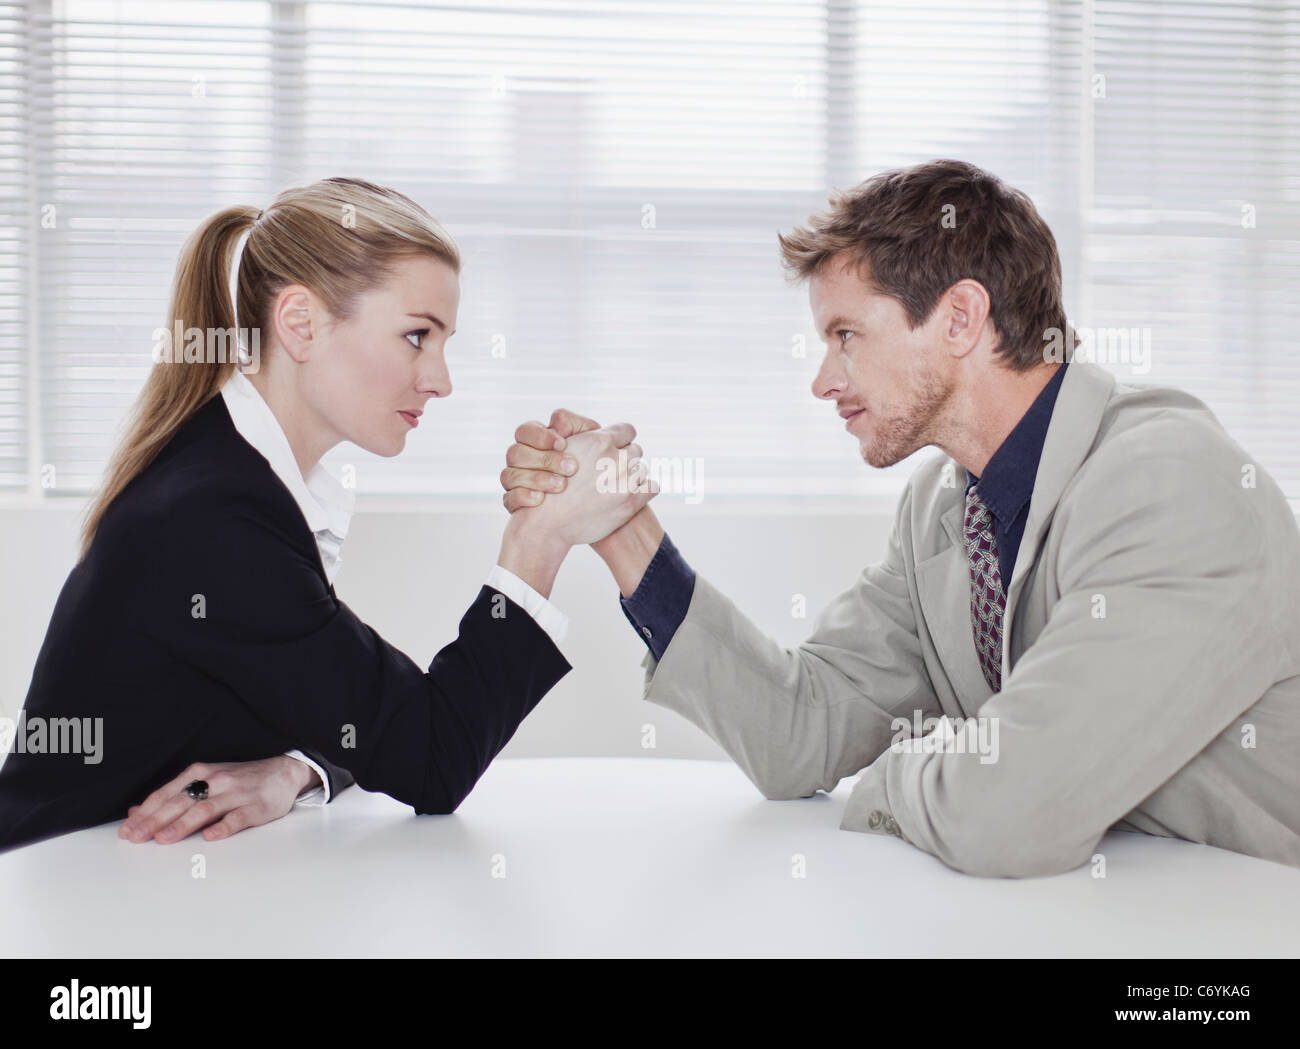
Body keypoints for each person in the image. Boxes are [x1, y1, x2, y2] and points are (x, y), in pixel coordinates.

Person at [501, 159, 1300, 878]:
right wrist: (624, 527)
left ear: (959, 319)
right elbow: (799, 730)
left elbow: (1009, 815)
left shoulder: (1170, 484)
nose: (822, 379)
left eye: (845, 334)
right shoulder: (942, 514)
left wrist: (900, 770)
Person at [0, 176, 655, 852]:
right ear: (300, 323)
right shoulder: (214, 518)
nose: (441, 378)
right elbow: (432, 756)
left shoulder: (239, 474)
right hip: (48, 893)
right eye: (416, 336)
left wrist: (295, 769)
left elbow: (338, 707)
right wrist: (539, 537)